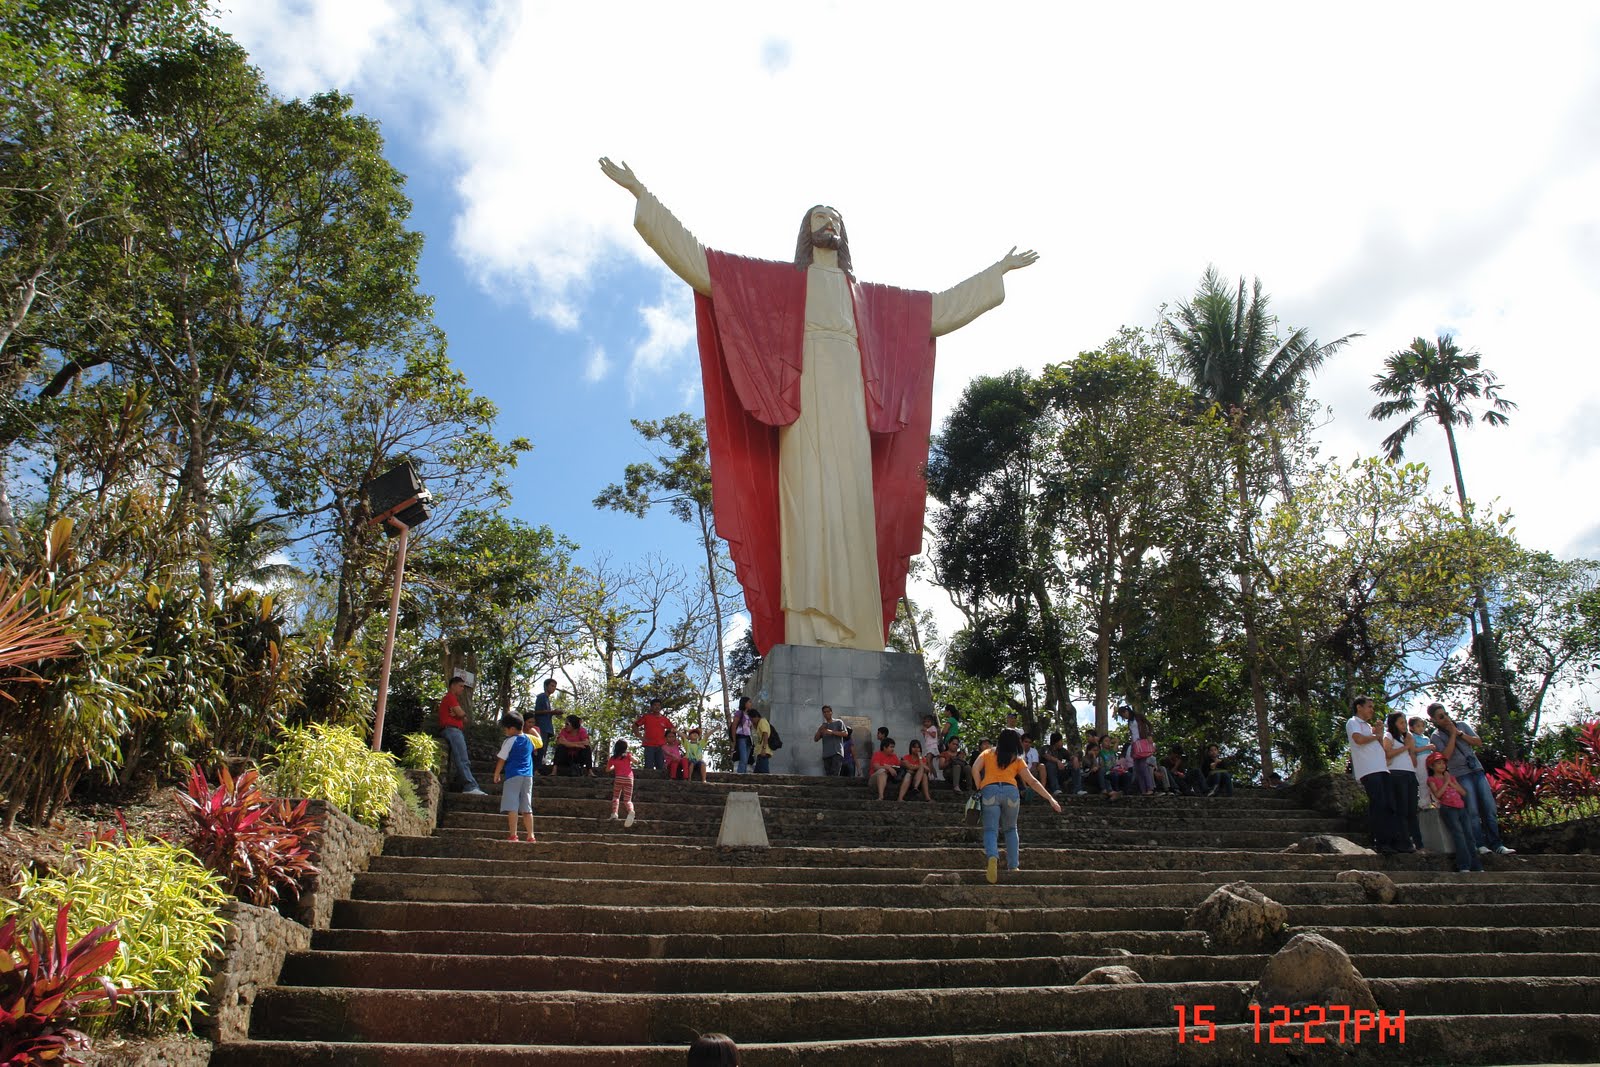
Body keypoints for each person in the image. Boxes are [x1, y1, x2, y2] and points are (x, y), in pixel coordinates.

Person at [601, 158, 1036, 655]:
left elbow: (935, 312)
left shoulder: (872, 302)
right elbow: (704, 267)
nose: (828, 223)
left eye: (836, 218)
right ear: (806, 234)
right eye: (818, 217)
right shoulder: (781, 288)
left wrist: (995, 273)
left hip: (850, 404)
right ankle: (809, 625)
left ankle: (858, 628)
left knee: (853, 507)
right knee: (804, 502)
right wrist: (643, 196)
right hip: (801, 404)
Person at [972, 729, 1061, 883]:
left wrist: (980, 787)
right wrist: (1050, 799)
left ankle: (993, 857)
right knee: (1011, 829)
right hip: (1011, 792)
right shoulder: (1018, 759)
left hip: (989, 790)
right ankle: (1013, 866)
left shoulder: (987, 753)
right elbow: (1032, 781)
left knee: (990, 830)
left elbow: (974, 769)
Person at [1427, 703, 1515, 855]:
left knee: (1489, 808)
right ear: (1434, 720)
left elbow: (1478, 742)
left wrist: (1459, 733)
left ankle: (1497, 844)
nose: (1445, 717)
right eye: (1441, 716)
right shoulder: (1436, 736)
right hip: (1460, 774)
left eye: (1445, 713)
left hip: (1476, 770)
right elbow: (1445, 757)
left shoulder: (1461, 725)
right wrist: (1452, 735)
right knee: (1472, 811)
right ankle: (1479, 845)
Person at [1348, 696, 1401, 853]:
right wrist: (1376, 735)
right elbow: (1358, 739)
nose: (1372, 710)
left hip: (1382, 768)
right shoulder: (1353, 722)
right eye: (1369, 706)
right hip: (1369, 770)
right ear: (1359, 707)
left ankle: (1392, 840)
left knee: (1389, 805)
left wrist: (1378, 734)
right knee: (1378, 804)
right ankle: (1381, 841)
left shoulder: (1368, 726)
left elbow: (1378, 746)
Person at [1426, 752, 1483, 874]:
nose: (1442, 766)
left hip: (1460, 807)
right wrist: (1446, 782)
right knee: (1459, 835)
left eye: (1443, 763)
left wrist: (1450, 782)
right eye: (1438, 763)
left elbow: (1463, 792)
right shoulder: (1432, 779)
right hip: (1448, 808)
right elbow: (1438, 795)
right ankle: (1464, 865)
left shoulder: (1452, 778)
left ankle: (1476, 865)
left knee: (1469, 836)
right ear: (1432, 766)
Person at [438, 675, 486, 796]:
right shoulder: (450, 697)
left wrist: (460, 715)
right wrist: (460, 714)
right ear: (453, 686)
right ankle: (470, 786)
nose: (462, 689)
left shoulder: (452, 699)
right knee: (463, 759)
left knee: (461, 758)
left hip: (454, 730)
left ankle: (467, 785)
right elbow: (461, 714)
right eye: (460, 686)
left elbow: (463, 717)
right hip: (452, 730)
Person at [492, 713, 537, 843]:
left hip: (513, 775)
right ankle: (530, 835)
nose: (505, 731)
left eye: (506, 728)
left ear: (511, 728)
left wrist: (497, 774)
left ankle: (513, 835)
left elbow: (502, 759)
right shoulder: (529, 740)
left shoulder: (510, 741)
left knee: (512, 806)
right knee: (526, 806)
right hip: (528, 776)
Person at [1383, 712, 1423, 853]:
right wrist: (1405, 747)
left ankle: (1418, 844)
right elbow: (1387, 753)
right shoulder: (1389, 736)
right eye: (1401, 722)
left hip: (1410, 774)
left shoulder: (1405, 738)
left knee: (1412, 810)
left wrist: (1410, 746)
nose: (1404, 725)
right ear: (1393, 724)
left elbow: (1414, 761)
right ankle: (1404, 843)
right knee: (1401, 809)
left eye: (1405, 722)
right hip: (1396, 774)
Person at [1118, 705, 1156, 796]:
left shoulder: (1138, 716)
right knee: (1137, 768)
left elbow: (1149, 725)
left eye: (1124, 714)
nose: (1125, 716)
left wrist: (1149, 735)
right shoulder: (1129, 722)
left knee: (1143, 766)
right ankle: (1143, 790)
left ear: (1126, 712)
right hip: (1135, 745)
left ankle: (1150, 788)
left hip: (1142, 742)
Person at [634, 698, 673, 773]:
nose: (657, 707)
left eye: (659, 705)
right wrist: (639, 736)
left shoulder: (664, 719)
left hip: (661, 746)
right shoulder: (646, 717)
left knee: (660, 767)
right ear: (651, 707)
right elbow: (635, 725)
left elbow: (672, 729)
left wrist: (671, 741)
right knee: (648, 767)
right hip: (649, 745)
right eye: (655, 705)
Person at [605, 739, 636, 827]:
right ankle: (630, 811)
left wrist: (614, 767)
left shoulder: (613, 758)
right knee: (627, 799)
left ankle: (614, 813)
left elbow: (607, 770)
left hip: (618, 778)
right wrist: (633, 760)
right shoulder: (628, 755)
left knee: (616, 796)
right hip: (629, 778)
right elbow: (636, 761)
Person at [531, 678, 558, 776]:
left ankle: (538, 768)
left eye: (555, 686)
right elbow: (537, 712)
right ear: (546, 686)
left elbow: (546, 713)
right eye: (552, 685)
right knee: (538, 748)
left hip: (547, 727)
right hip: (541, 726)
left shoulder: (547, 699)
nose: (553, 688)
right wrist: (552, 712)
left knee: (543, 749)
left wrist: (553, 713)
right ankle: (535, 770)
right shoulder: (541, 697)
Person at [814, 704, 848, 777]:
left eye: (828, 711)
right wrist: (820, 730)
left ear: (831, 712)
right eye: (824, 712)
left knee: (834, 775)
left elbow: (845, 734)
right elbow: (816, 739)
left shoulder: (839, 722)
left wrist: (832, 732)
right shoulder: (823, 726)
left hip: (837, 753)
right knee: (828, 777)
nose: (826, 713)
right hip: (826, 755)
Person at [731, 696, 755, 774]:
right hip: (741, 737)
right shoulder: (739, 713)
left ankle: (743, 774)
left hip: (748, 738)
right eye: (749, 702)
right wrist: (734, 740)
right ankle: (740, 775)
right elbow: (734, 726)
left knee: (746, 759)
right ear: (745, 703)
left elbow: (750, 728)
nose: (751, 704)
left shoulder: (750, 715)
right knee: (743, 758)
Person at [748, 708, 773, 774]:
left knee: (763, 771)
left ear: (755, 716)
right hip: (760, 751)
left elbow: (765, 734)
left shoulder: (762, 721)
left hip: (763, 751)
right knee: (758, 771)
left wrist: (764, 748)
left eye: (752, 719)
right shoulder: (758, 724)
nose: (752, 721)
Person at [919, 714, 943, 780]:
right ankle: (935, 776)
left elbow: (933, 735)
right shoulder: (928, 729)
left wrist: (926, 730)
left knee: (928, 760)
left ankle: (930, 775)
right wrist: (924, 733)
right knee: (929, 762)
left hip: (932, 747)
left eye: (928, 722)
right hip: (928, 747)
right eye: (925, 722)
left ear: (931, 722)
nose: (926, 723)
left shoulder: (933, 727)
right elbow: (927, 738)